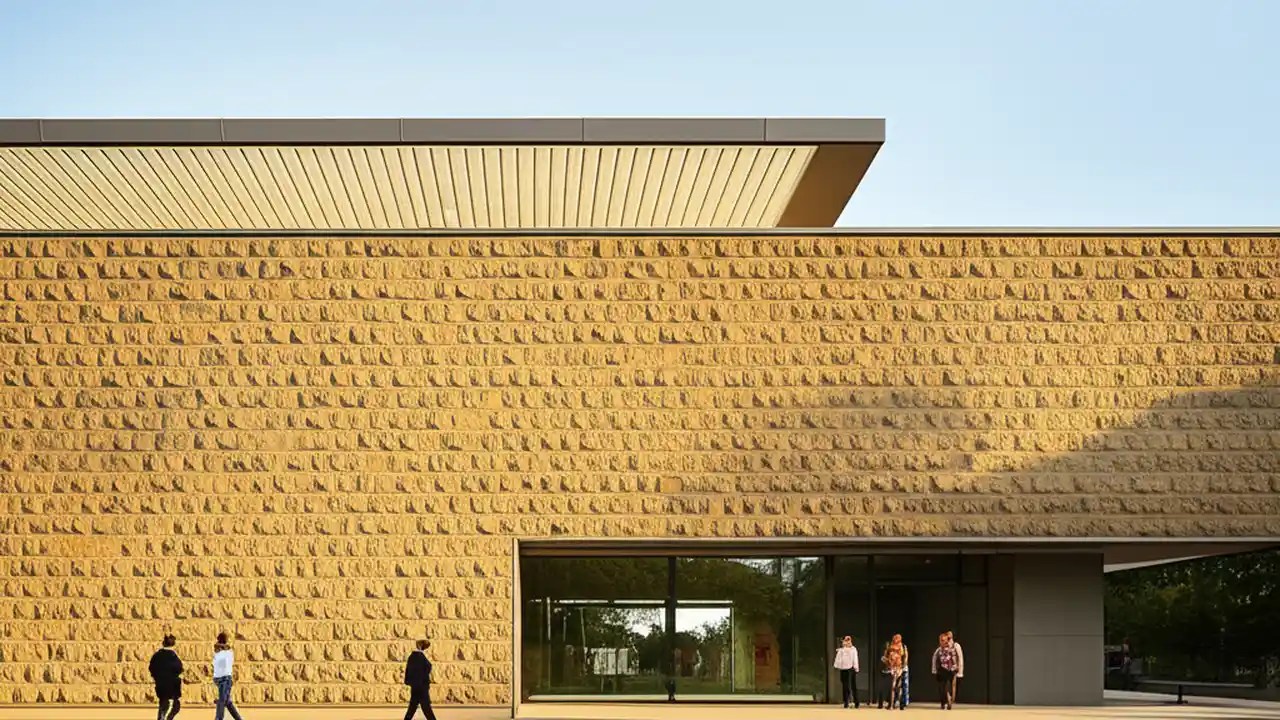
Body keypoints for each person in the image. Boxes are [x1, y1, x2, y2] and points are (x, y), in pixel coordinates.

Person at [148, 634, 183, 720]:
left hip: (160, 684)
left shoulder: (157, 655)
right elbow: (179, 668)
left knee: (163, 703)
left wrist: (156, 677)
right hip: (172, 685)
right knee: (175, 705)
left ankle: (162, 718)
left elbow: (151, 668)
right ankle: (167, 718)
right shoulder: (173, 656)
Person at [403, 639, 438, 720]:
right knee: (426, 709)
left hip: (416, 687)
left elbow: (408, 672)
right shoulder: (419, 657)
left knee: (412, 709)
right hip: (421, 688)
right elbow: (425, 670)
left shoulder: (412, 657)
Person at [212, 632, 244, 720]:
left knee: (225, 701)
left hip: (221, 678)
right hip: (225, 677)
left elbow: (217, 664)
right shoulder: (227, 651)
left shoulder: (218, 651)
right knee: (225, 701)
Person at [931, 632, 960, 710]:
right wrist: (934, 669)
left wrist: (957, 667)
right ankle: (943, 702)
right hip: (942, 670)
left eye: (944, 640)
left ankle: (950, 701)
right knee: (942, 687)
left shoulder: (952, 648)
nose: (942, 642)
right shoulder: (939, 650)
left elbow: (956, 657)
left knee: (950, 687)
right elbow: (935, 659)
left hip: (951, 670)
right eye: (941, 640)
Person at [833, 635, 860, 708]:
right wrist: (836, 666)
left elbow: (855, 659)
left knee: (852, 685)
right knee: (845, 686)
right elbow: (838, 659)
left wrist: (856, 668)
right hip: (843, 669)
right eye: (846, 640)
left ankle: (856, 701)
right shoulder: (841, 650)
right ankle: (846, 701)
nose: (847, 642)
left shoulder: (853, 649)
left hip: (851, 669)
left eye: (848, 641)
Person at [945, 630, 965, 705]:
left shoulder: (956, 645)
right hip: (946, 667)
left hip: (954, 667)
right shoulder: (944, 644)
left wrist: (960, 670)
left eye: (950, 634)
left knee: (953, 684)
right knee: (946, 684)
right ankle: (948, 698)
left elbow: (960, 657)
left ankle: (952, 699)